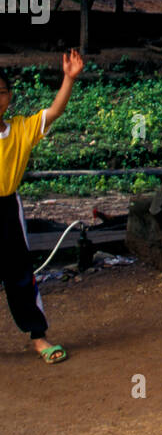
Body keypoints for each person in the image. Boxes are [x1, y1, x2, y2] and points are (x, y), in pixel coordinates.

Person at [0, 51, 84, 364]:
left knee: (20, 274)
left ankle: (38, 336)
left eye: (1, 92)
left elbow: (54, 111)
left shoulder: (21, 129)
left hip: (8, 207)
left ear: (9, 96)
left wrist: (69, 78)